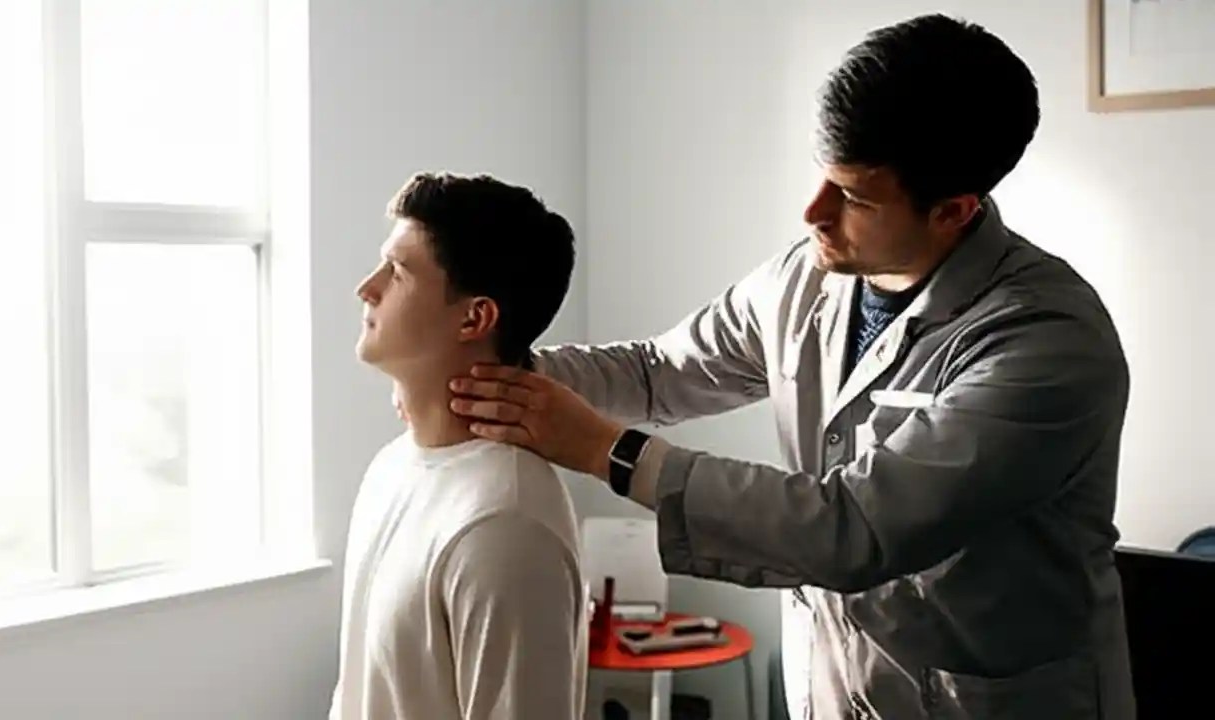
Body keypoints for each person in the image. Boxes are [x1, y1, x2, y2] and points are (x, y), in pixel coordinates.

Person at [447, 14, 1135, 720]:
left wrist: (607, 452)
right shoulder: (804, 281)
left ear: (953, 210)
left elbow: (856, 527)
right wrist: (494, 375)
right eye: (821, 175)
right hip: (833, 693)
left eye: (854, 196)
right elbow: (659, 372)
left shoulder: (1046, 341)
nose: (813, 212)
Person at [330, 172, 586, 720]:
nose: (367, 287)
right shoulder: (389, 468)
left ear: (474, 317)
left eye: (398, 271)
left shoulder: (506, 524)